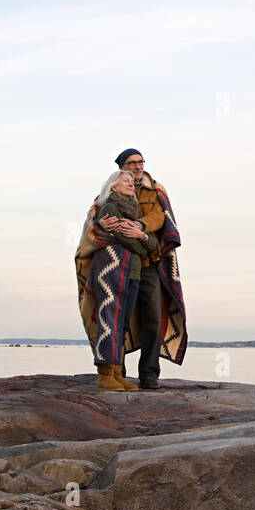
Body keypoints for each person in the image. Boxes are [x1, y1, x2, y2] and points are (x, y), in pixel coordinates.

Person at [74, 148, 189, 389]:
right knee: (118, 316)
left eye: (140, 162)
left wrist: (140, 227)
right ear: (121, 169)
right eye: (130, 164)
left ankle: (149, 374)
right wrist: (98, 226)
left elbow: (161, 217)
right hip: (119, 264)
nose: (137, 167)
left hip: (150, 263)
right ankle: (116, 371)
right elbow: (93, 224)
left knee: (153, 317)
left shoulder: (155, 190)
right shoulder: (107, 194)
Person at [83, 170, 156, 391]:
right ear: (113, 187)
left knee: (122, 322)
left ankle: (116, 372)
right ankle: (104, 374)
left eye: (132, 183)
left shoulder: (133, 214)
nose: (130, 185)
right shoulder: (110, 208)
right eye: (124, 181)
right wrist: (142, 244)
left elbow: (151, 243)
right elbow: (126, 239)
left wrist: (141, 237)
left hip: (130, 272)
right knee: (109, 317)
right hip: (110, 269)